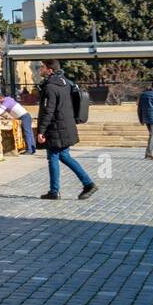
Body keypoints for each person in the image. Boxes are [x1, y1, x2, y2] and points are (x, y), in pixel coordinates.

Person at [35, 60, 98, 200]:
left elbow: (48, 110)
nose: (39, 69)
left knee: (53, 158)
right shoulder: (65, 83)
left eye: (42, 67)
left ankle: (54, 191)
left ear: (49, 70)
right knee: (64, 156)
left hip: (56, 128)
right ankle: (88, 184)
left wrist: (41, 131)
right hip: (66, 126)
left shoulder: (50, 87)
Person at [139, 81, 153, 160]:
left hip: (146, 118)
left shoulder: (143, 94)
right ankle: (148, 154)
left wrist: (141, 119)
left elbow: (139, 108)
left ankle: (149, 153)